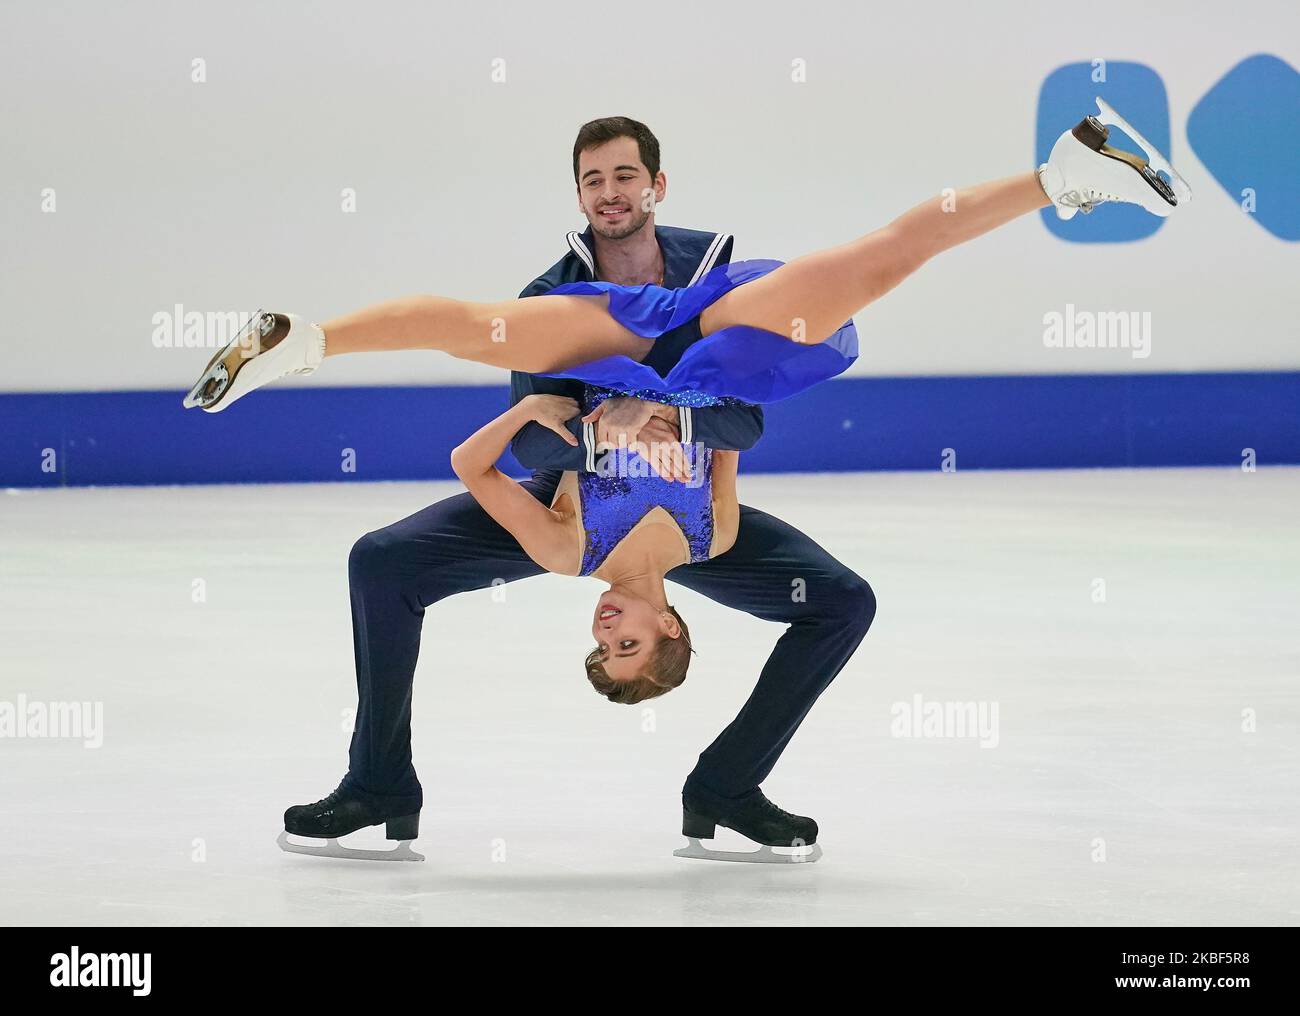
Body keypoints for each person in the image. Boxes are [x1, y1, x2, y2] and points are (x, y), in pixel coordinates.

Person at [231, 100, 1188, 861]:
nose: (608, 192)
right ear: (580, 194)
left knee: (873, 293)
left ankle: (1066, 170)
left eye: (623, 176)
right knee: (392, 542)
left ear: (655, 184)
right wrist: (592, 428)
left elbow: (742, 422)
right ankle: (379, 779)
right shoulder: (556, 297)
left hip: (687, 431)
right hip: (578, 505)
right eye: (591, 180)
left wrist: (668, 418)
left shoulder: (721, 275)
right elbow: (525, 452)